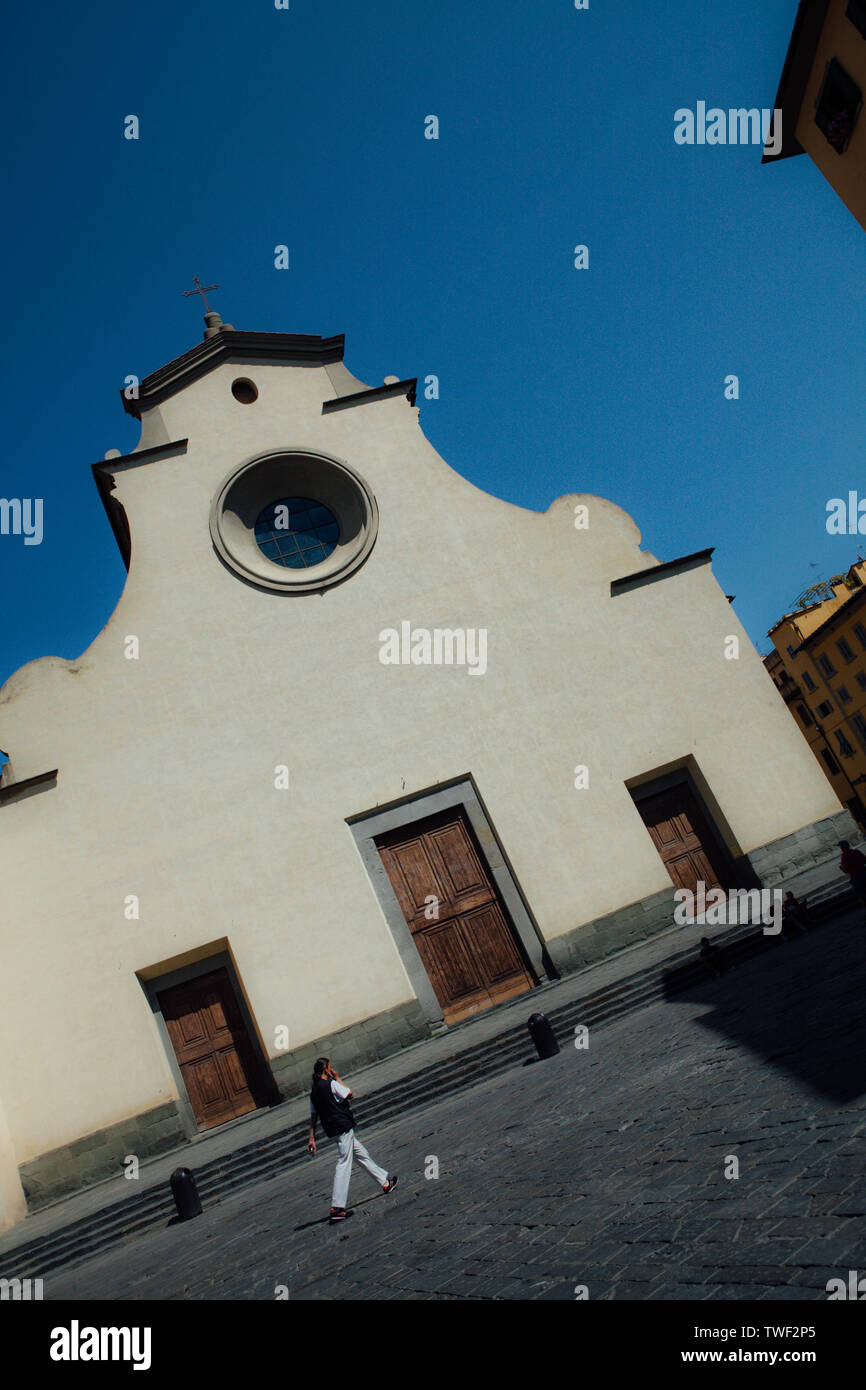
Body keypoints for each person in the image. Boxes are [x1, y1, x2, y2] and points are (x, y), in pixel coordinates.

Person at [307, 1057, 397, 1223]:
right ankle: (337, 1207)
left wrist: (312, 1138)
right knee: (344, 1163)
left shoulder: (313, 1092)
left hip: (331, 1130)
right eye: (330, 1067)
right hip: (342, 1127)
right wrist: (338, 1078)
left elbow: (313, 1116)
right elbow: (350, 1094)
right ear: (327, 1069)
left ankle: (385, 1182)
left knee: (361, 1153)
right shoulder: (331, 1084)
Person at [838, 840, 866, 915]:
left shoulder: (844, 856)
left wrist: (841, 867)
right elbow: (864, 860)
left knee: (861, 894)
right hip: (864, 872)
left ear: (842, 848)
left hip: (856, 877)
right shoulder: (856, 851)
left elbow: (845, 870)